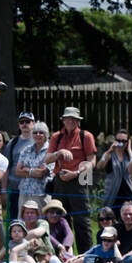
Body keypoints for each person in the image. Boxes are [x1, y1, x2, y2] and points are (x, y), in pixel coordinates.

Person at [44, 106, 97, 253]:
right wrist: (59, 152)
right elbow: (47, 159)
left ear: (78, 121)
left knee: (82, 220)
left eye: (74, 119)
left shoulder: (86, 136)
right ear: (63, 120)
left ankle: (86, 257)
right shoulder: (56, 137)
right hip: (60, 180)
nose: (71, 121)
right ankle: (65, 256)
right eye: (68, 118)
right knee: (60, 219)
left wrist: (75, 173)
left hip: (80, 180)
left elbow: (92, 161)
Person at [3, 112, 37, 221]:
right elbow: (6, 168)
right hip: (15, 188)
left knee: (33, 220)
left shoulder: (39, 140)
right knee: (15, 220)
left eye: (27, 121)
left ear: (33, 124)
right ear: (19, 125)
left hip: (34, 188)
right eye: (22, 122)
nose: (24, 124)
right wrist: (3, 189)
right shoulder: (13, 143)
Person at [97, 127, 132, 213]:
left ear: (128, 142)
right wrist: (109, 151)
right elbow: (99, 166)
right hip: (112, 193)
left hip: (127, 193)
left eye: (124, 141)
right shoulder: (110, 154)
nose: (121, 143)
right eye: (118, 140)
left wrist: (129, 149)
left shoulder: (129, 154)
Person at [15, 121, 51, 202]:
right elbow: (17, 172)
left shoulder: (51, 151)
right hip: (24, 193)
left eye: (41, 132)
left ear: (46, 135)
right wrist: (35, 171)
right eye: (35, 132)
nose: (37, 134)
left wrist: (27, 169)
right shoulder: (26, 150)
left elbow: (42, 173)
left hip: (41, 195)